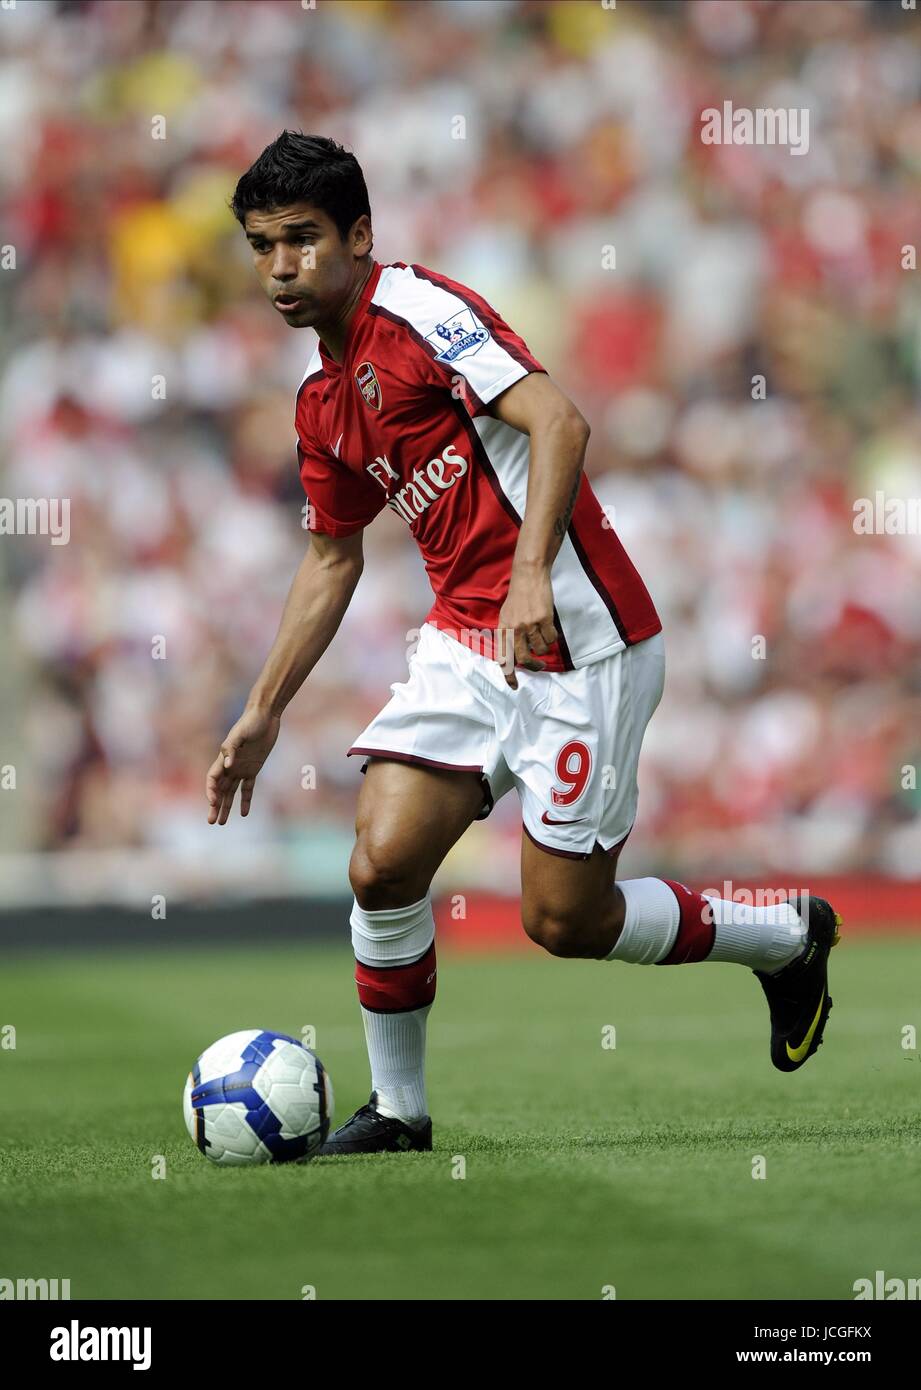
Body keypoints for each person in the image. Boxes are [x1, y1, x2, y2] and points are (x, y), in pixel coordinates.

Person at [206, 132, 840, 1156]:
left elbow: (559, 420)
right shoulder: (322, 404)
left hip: (582, 643)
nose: (281, 266)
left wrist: (534, 572)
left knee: (564, 922)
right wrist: (262, 709)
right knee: (381, 866)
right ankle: (400, 1112)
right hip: (466, 644)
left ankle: (786, 938)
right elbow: (330, 560)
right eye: (262, 246)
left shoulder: (420, 313)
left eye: (303, 239)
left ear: (359, 236)